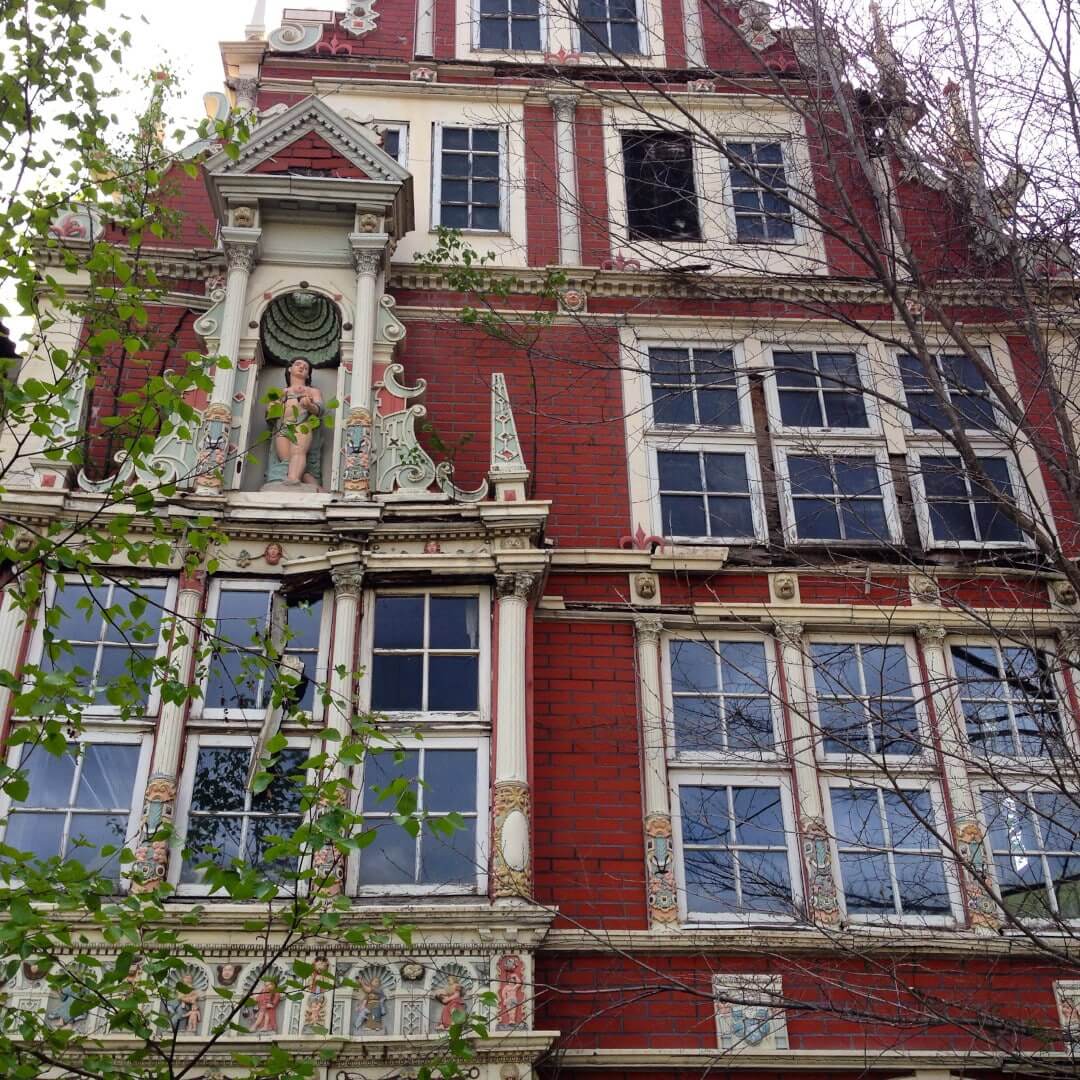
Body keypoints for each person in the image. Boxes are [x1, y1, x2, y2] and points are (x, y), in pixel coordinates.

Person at [265, 357, 323, 487]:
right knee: (285, 459)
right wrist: (271, 407)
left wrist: (309, 406)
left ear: (308, 375)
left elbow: (320, 409)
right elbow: (269, 416)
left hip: (302, 424)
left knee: (298, 452)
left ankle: (293, 479)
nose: (301, 367)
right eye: (298, 364)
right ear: (290, 369)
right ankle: (308, 481)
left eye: (305, 367)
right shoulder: (281, 392)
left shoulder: (312, 391)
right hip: (284, 426)